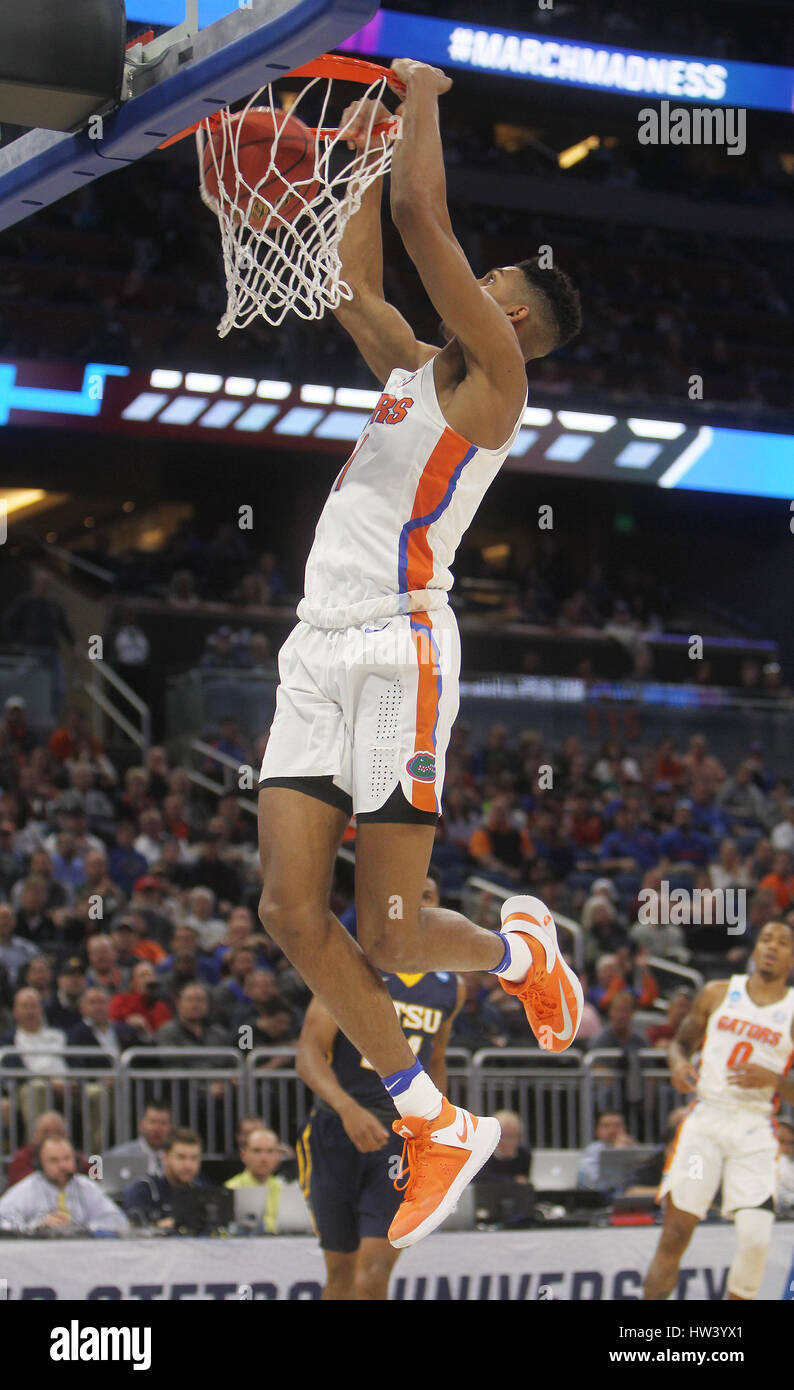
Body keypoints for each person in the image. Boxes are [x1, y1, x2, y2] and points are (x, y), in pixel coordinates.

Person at [255, 58, 583, 1250]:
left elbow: (416, 218)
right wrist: (351, 148)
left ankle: (513, 949)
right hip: (315, 645)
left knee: (390, 931)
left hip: (401, 648)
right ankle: (430, 1114)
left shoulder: (495, 384)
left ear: (517, 324)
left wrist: (417, 102)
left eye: (493, 284)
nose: (474, 281)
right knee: (291, 909)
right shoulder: (408, 373)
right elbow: (356, 273)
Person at [296, 949, 464, 1298]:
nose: (422, 901)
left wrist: (437, 1126)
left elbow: (436, 1060)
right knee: (341, 1271)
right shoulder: (347, 968)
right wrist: (347, 1108)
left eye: (429, 894)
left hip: (399, 1140)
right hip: (335, 1129)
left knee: (373, 1271)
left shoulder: (451, 986)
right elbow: (308, 1054)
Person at [644, 919, 794, 1301]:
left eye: (782, 942)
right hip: (706, 1123)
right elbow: (680, 1044)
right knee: (676, 1233)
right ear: (756, 948)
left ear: (791, 958)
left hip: (755, 1130)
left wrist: (774, 1078)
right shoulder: (717, 992)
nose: (773, 947)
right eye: (766, 939)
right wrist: (678, 1064)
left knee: (756, 1239)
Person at [0, 1134, 128, 1234]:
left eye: (67, 1159)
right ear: (39, 1164)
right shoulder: (27, 1189)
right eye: (54, 1160)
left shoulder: (87, 1187)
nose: (62, 1166)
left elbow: (118, 1221)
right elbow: (3, 1220)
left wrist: (80, 1230)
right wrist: (36, 1227)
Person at [123, 1126, 205, 1227]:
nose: (188, 1165)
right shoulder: (144, 1190)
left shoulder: (202, 1193)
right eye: (181, 1157)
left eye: (194, 1158)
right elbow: (133, 1230)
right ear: (164, 1158)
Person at [4, 1110, 90, 1187]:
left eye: (57, 1132)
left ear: (66, 1135)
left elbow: (94, 1178)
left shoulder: (76, 1157)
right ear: (35, 1135)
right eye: (46, 1131)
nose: (51, 1135)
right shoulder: (21, 1159)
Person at [224, 1125, 285, 1233]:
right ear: (244, 1155)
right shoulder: (230, 1190)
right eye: (257, 1151)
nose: (264, 1158)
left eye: (270, 1151)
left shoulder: (286, 1189)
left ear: (278, 1155)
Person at [106, 1103, 173, 1177]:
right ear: (141, 1125)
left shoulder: (178, 1156)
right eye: (152, 1122)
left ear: (171, 1127)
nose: (157, 1128)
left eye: (163, 1123)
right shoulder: (120, 1156)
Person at [577, 1111, 635, 1193]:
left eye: (617, 1126)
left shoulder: (632, 1147)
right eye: (606, 1126)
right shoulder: (592, 1150)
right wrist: (617, 1152)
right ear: (597, 1130)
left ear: (625, 1128)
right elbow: (596, 1183)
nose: (612, 1130)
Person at [478, 1109, 532, 1183]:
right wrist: (514, 1181)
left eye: (511, 1136)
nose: (506, 1142)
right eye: (502, 1136)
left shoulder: (525, 1155)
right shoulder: (484, 1156)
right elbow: (481, 1179)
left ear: (519, 1137)